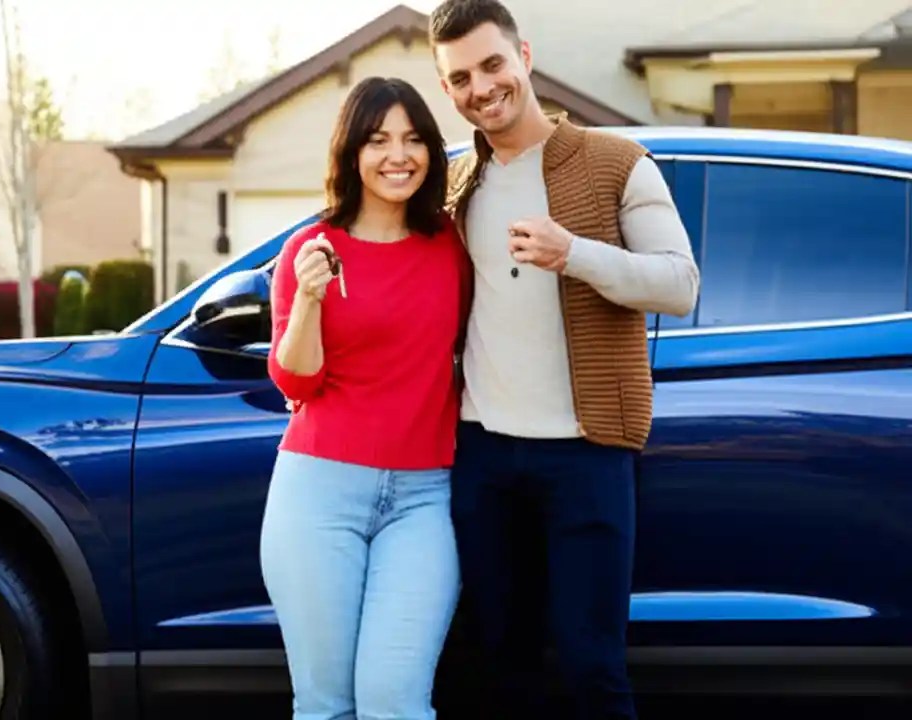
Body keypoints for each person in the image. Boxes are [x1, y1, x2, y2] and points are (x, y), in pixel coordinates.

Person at [426, 1, 701, 718]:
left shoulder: (616, 163)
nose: (481, 88)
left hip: (586, 454)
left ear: (524, 53)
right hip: (481, 457)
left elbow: (679, 283)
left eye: (491, 64)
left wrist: (572, 253)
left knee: (592, 670)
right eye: (459, 78)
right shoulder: (458, 185)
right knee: (499, 668)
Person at [259, 76, 471, 720]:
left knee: (395, 699)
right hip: (318, 493)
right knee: (325, 705)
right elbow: (295, 382)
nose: (396, 155)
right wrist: (311, 299)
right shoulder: (311, 249)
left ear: (432, 151)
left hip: (424, 497)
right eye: (378, 140)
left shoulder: (451, 249)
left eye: (412, 139)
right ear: (352, 152)